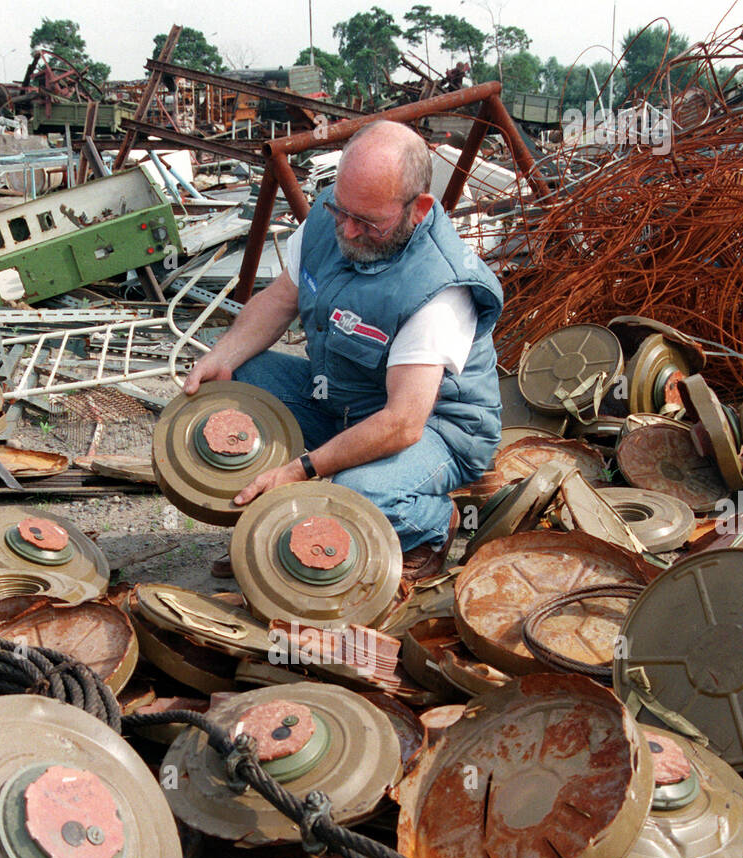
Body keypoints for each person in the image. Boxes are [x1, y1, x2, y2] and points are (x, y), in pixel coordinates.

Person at [183, 119, 503, 582]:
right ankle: (270, 527)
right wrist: (222, 356)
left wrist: (303, 468)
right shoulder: (329, 218)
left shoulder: (439, 287)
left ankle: (431, 524)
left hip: (436, 428)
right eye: (342, 211)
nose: (348, 232)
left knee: (355, 496)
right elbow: (278, 300)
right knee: (239, 383)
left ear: (420, 208)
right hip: (343, 399)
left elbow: (402, 422)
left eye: (368, 221)